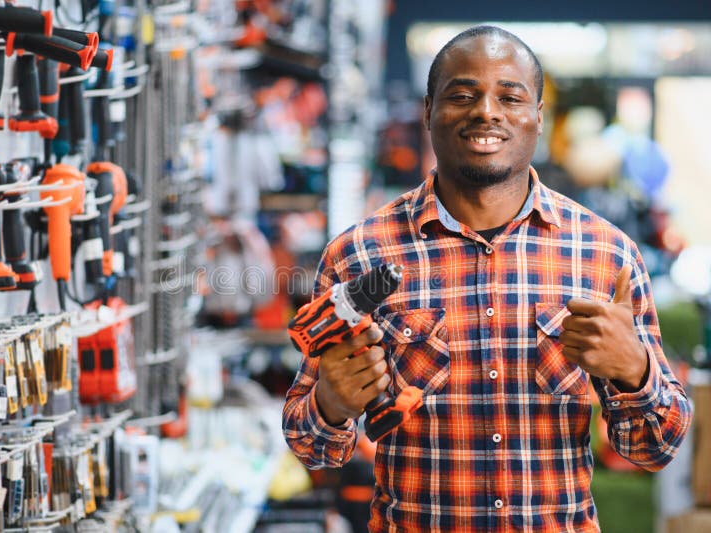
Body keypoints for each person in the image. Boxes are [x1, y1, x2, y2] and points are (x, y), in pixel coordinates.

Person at [282, 25, 692, 532]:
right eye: (463, 95)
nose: (487, 112)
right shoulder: (359, 255)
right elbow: (310, 448)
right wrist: (331, 403)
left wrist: (634, 372)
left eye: (510, 96)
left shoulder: (605, 255)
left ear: (538, 117)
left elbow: (658, 448)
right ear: (428, 111)